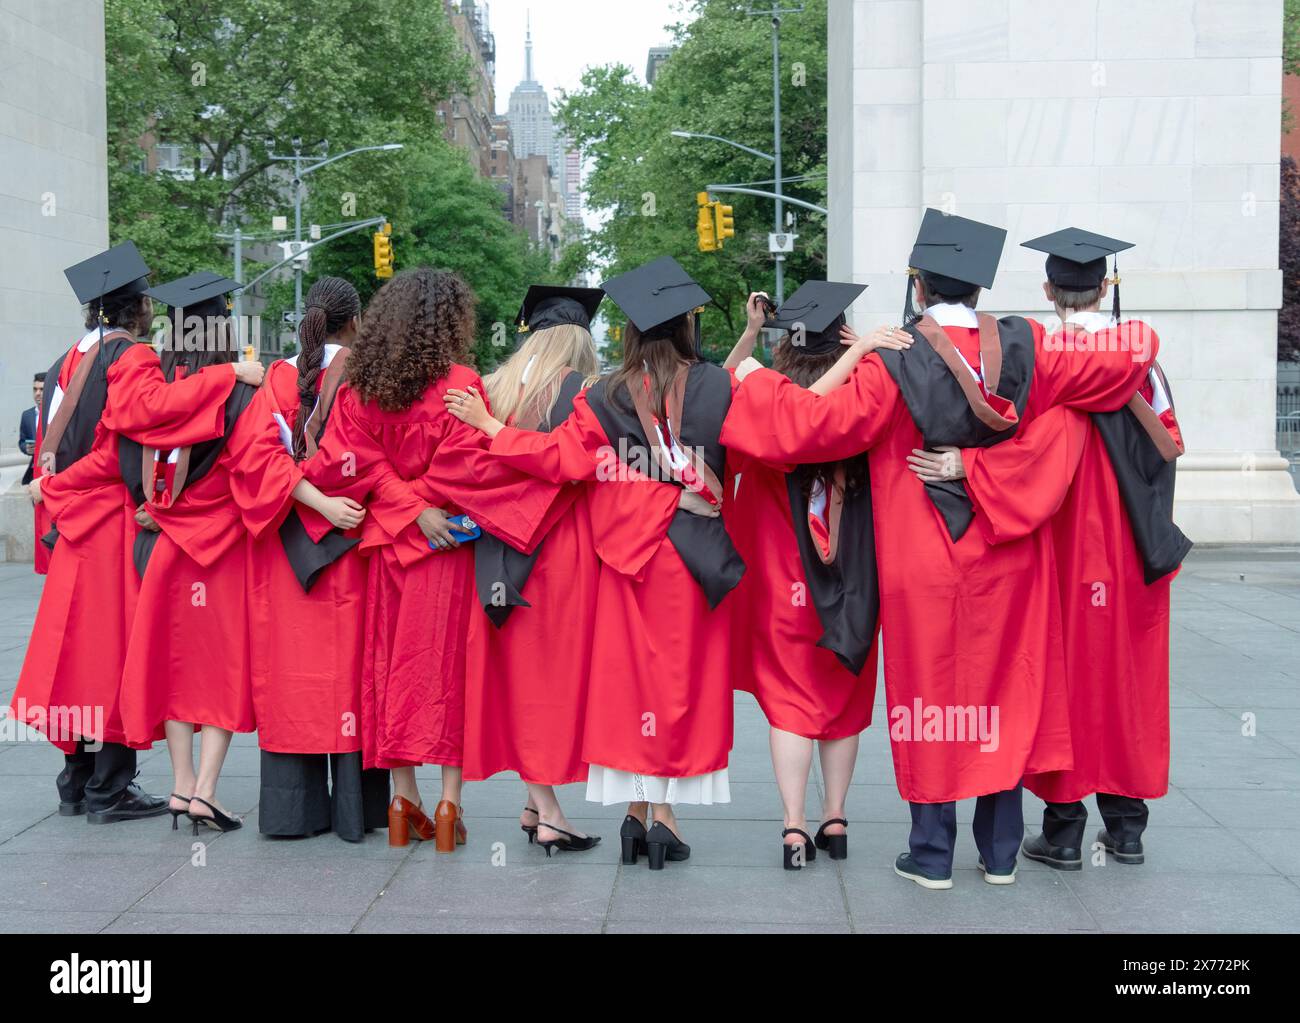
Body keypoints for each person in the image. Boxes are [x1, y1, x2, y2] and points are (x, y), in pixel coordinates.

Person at [722, 210, 1158, 889]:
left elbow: (814, 429)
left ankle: (930, 854)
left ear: (918, 289)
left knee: (929, 692)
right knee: (1005, 690)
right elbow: (1113, 376)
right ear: (980, 291)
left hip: (922, 554)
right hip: (1011, 550)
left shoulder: (893, 357)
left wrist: (754, 375)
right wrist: (987, 470)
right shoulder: (1028, 344)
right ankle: (1001, 851)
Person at [446, 256, 743, 871]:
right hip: (697, 555)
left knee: (631, 686)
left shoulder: (604, 393)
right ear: (688, 325)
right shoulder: (724, 385)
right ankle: (663, 819)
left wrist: (490, 430)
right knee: (679, 687)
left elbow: (563, 461)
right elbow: (775, 442)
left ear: (630, 331)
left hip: (628, 555)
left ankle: (637, 815)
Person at [907, 229, 1190, 870]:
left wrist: (968, 471)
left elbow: (1017, 447)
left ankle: (1062, 830)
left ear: (1046, 290)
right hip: (1127, 546)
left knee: (1061, 678)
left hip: (1053, 539)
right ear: (1106, 288)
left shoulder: (1030, 357)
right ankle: (1126, 828)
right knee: (1125, 677)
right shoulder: (1138, 359)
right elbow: (1169, 446)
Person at [301, 268, 563, 852]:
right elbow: (470, 463)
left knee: (390, 668)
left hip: (390, 549)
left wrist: (401, 507)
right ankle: (449, 805)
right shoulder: (462, 383)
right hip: (445, 549)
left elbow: (354, 462)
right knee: (442, 672)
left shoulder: (360, 388)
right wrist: (425, 509)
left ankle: (402, 800)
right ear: (449, 321)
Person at [11, 245, 264, 825]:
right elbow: (122, 438)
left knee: (73, 654)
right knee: (109, 657)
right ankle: (108, 785)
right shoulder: (129, 357)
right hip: (107, 520)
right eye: (147, 297)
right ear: (136, 305)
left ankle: (75, 781)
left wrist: (50, 488)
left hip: (69, 525)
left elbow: (60, 447)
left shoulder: (62, 363)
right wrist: (227, 373)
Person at [117, 272, 363, 835]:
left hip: (160, 546)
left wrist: (155, 505)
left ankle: (179, 789)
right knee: (218, 672)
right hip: (219, 551)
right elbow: (253, 467)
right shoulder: (240, 390)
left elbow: (121, 448)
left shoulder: (151, 390)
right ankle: (205, 790)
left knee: (171, 666)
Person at [723, 283, 911, 869]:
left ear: (788, 349)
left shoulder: (763, 400)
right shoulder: (865, 396)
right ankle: (835, 818)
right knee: (843, 697)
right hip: (853, 579)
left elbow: (723, 383)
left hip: (781, 582)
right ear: (843, 341)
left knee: (789, 702)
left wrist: (751, 334)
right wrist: (869, 352)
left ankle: (794, 827)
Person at [247, 276, 391, 843]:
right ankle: (360, 810)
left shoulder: (278, 378)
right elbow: (383, 457)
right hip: (354, 543)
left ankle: (294, 812)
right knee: (354, 673)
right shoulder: (370, 375)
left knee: (293, 677)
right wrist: (335, 503)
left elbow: (254, 457)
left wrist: (312, 502)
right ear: (355, 322)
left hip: (288, 548)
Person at [462, 285, 605, 856]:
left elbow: (460, 468)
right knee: (549, 683)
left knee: (517, 676)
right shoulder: (584, 391)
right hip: (557, 551)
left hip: (498, 549)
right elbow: (574, 463)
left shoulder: (488, 391)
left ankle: (532, 802)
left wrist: (494, 432)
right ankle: (550, 815)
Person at [20, 372, 42, 483]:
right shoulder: (27, 416)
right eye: (35, 389)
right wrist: (26, 448)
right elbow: (22, 441)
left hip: (55, 469)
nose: (37, 393)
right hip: (34, 471)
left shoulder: (59, 414)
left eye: (41, 389)